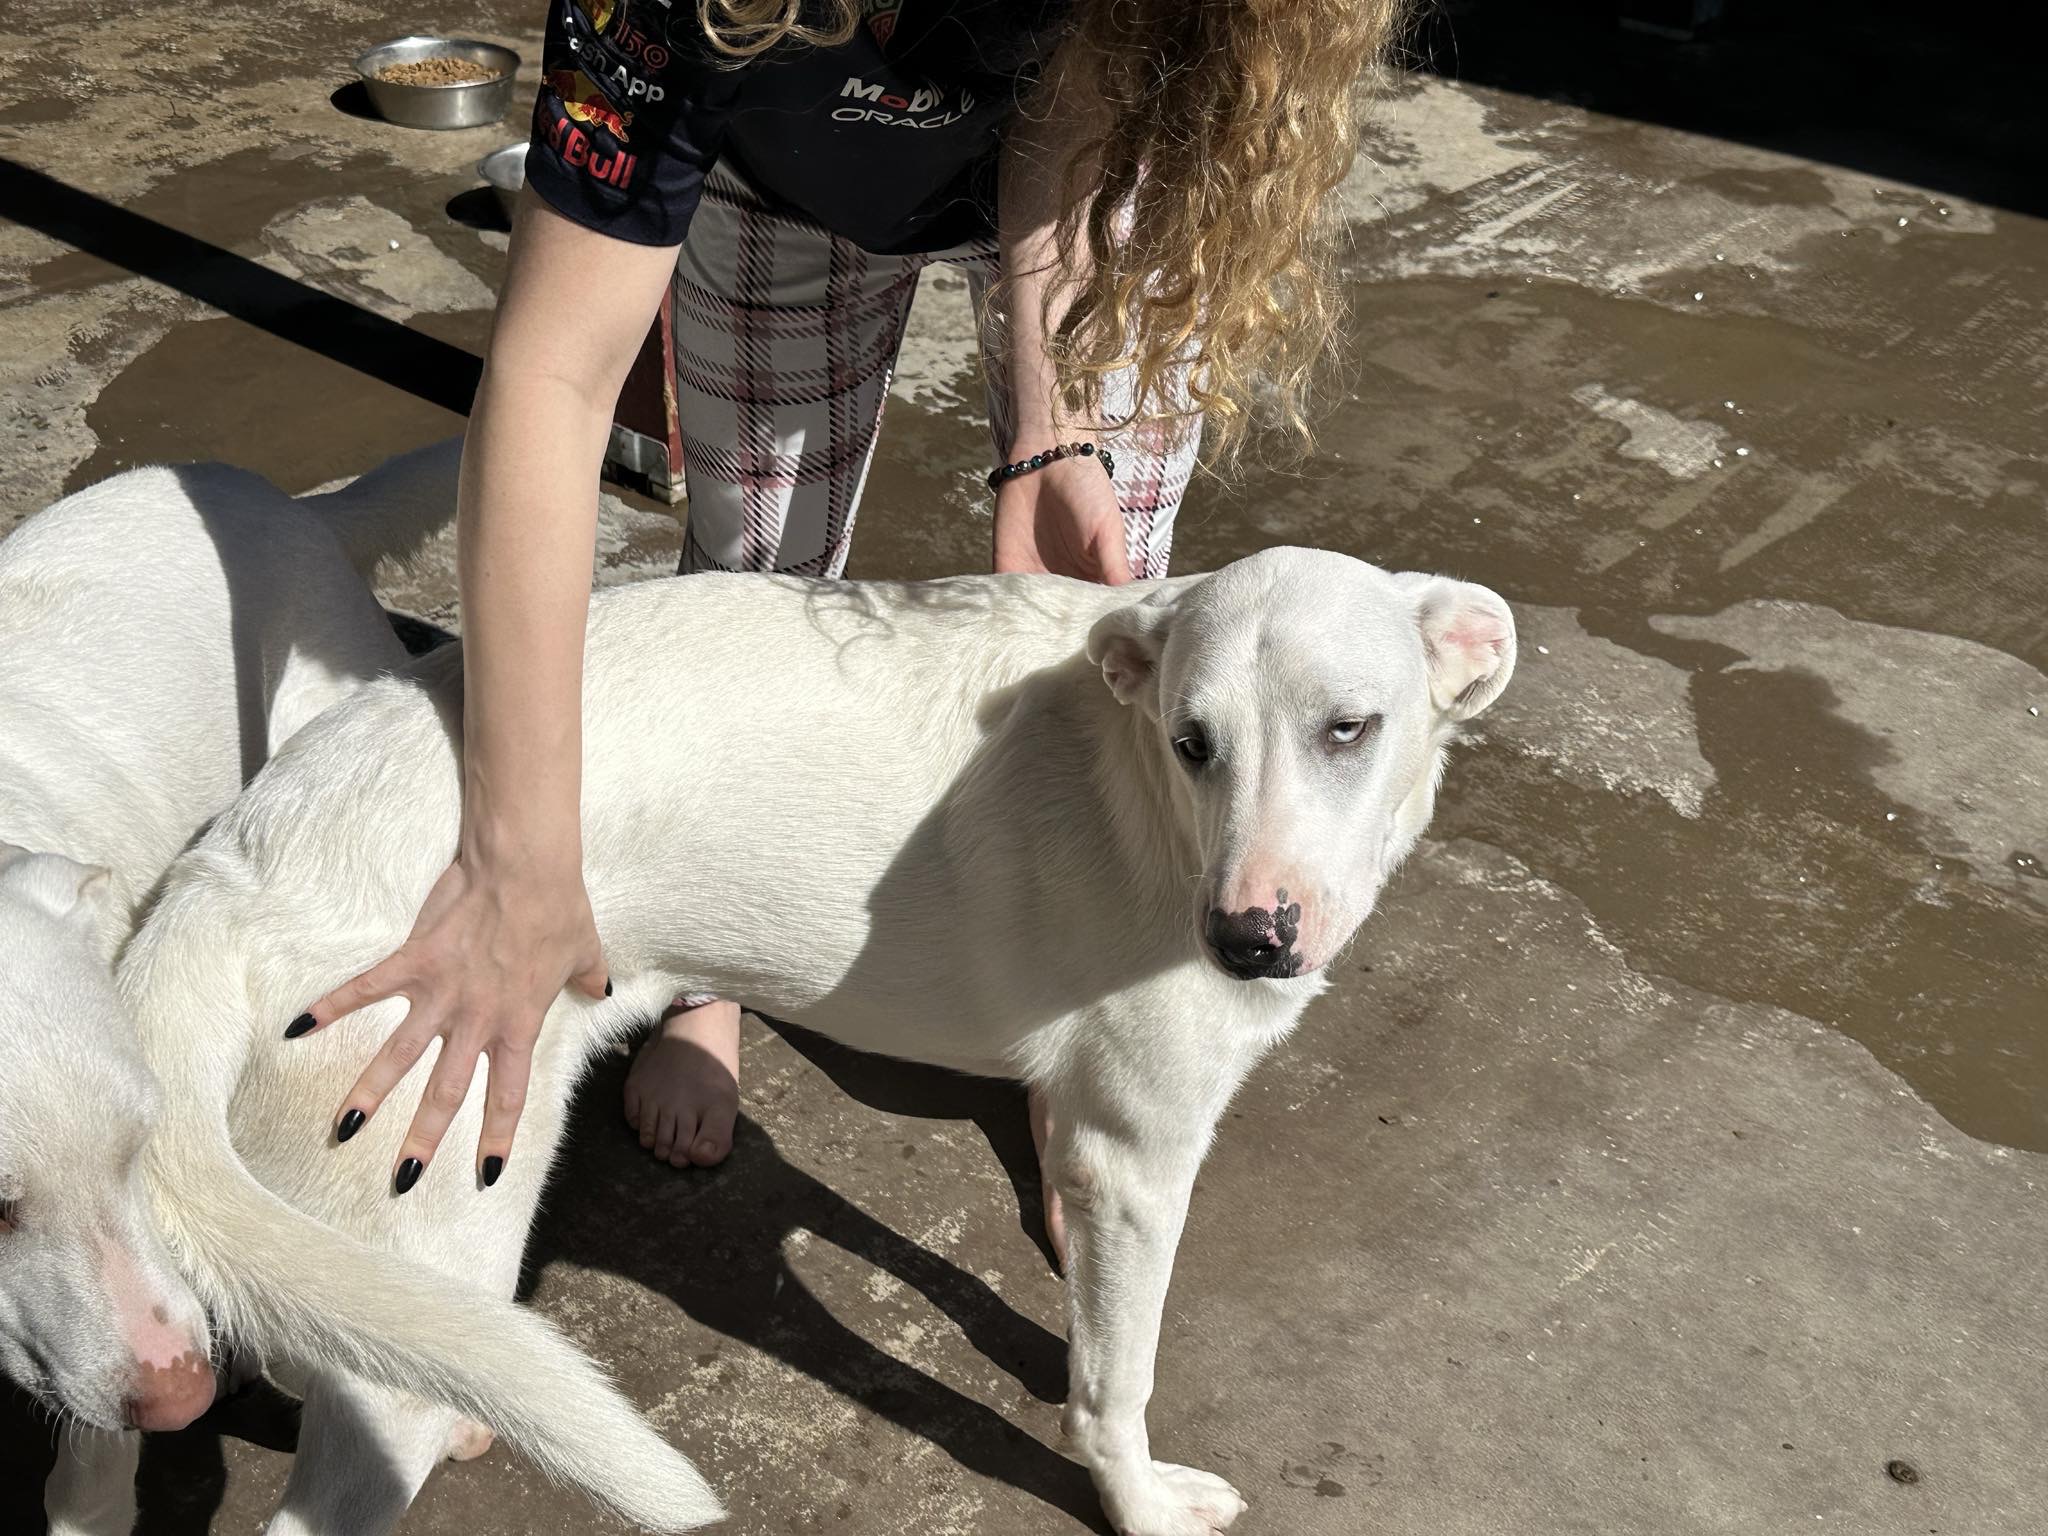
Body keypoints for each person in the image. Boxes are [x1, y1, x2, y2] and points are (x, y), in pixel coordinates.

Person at [285, 0, 1405, 1239]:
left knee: (1124, 621)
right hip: (779, 164)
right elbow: (554, 376)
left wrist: (1050, 417)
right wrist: (518, 858)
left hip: (1086, 174)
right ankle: (707, 973)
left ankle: (1085, 1025)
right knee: (749, 575)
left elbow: (1075, 79)